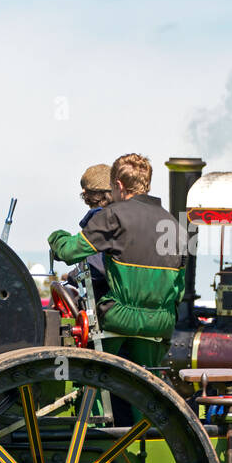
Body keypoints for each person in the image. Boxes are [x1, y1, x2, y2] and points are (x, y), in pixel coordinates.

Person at [47, 153, 183, 369]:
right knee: (146, 389)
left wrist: (57, 237)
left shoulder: (113, 216)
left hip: (118, 318)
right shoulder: (174, 224)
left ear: (118, 185)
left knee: (97, 384)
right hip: (160, 324)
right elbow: (179, 288)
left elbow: (69, 252)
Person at [77, 163, 112, 299]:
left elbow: (95, 269)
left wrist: (73, 276)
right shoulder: (125, 218)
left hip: (109, 305)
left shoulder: (101, 221)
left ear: (85, 194)